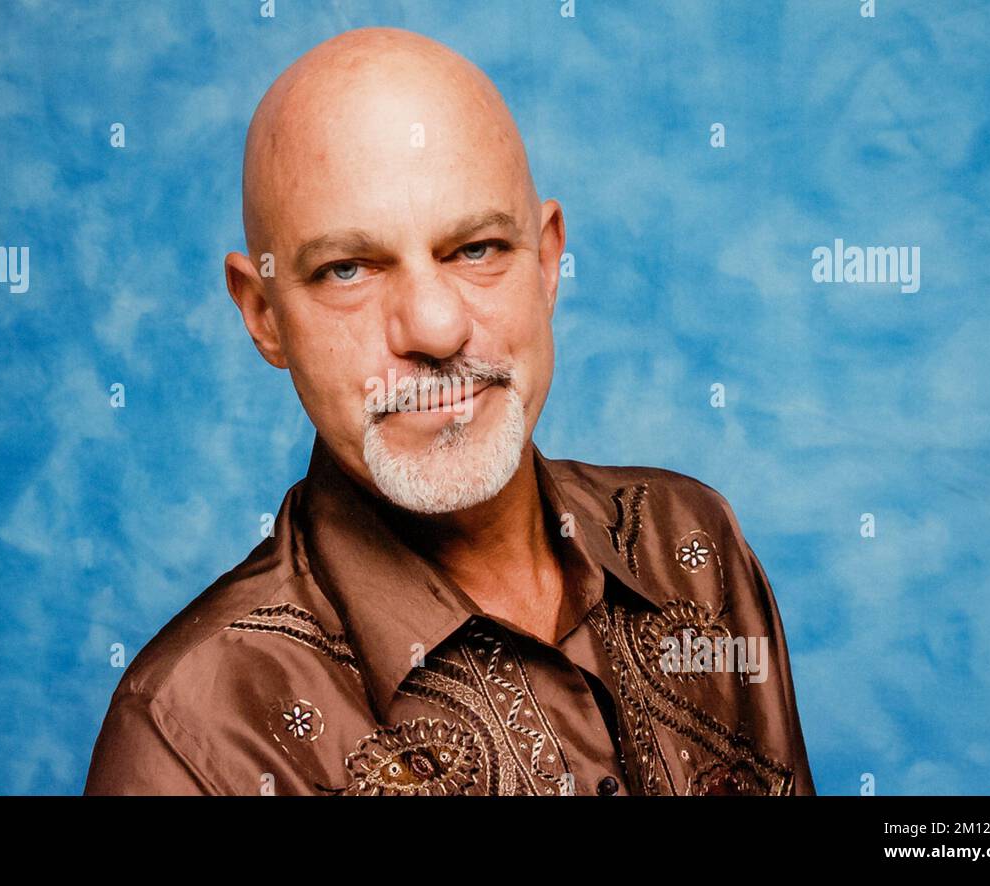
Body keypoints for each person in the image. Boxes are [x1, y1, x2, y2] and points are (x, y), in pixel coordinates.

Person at [85, 26, 815, 796]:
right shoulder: (187, 738)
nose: (435, 329)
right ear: (263, 313)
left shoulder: (691, 544)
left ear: (547, 261)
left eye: (475, 249)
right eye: (348, 270)